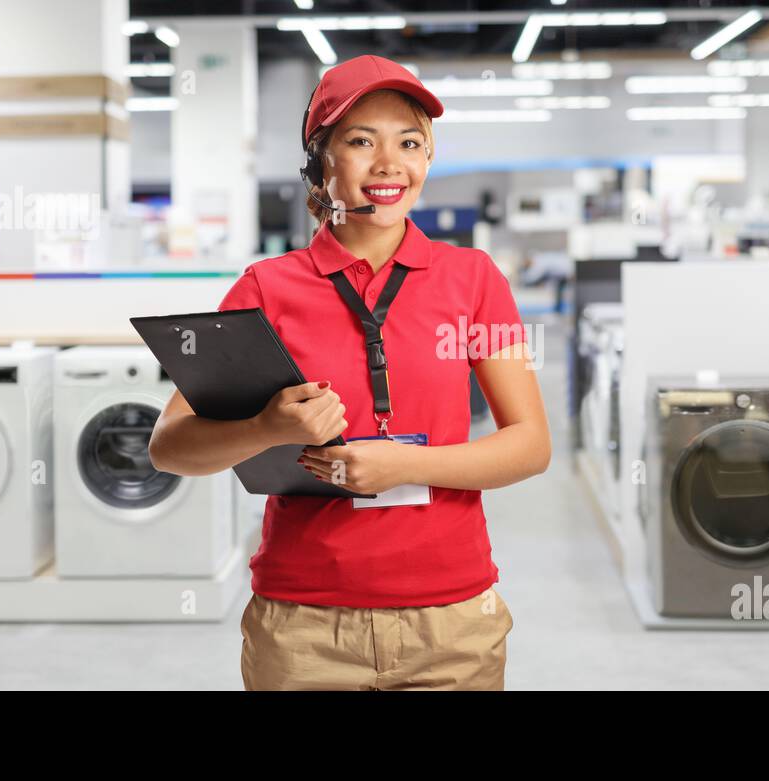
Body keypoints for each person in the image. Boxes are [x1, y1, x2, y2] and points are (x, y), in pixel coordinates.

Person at [148, 55, 550, 691]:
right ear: (319, 160)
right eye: (362, 140)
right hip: (303, 625)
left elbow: (529, 445)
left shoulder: (474, 280)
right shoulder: (265, 288)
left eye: (409, 142)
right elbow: (169, 448)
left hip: (450, 621)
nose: (389, 163)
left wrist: (406, 465)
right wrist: (265, 426)